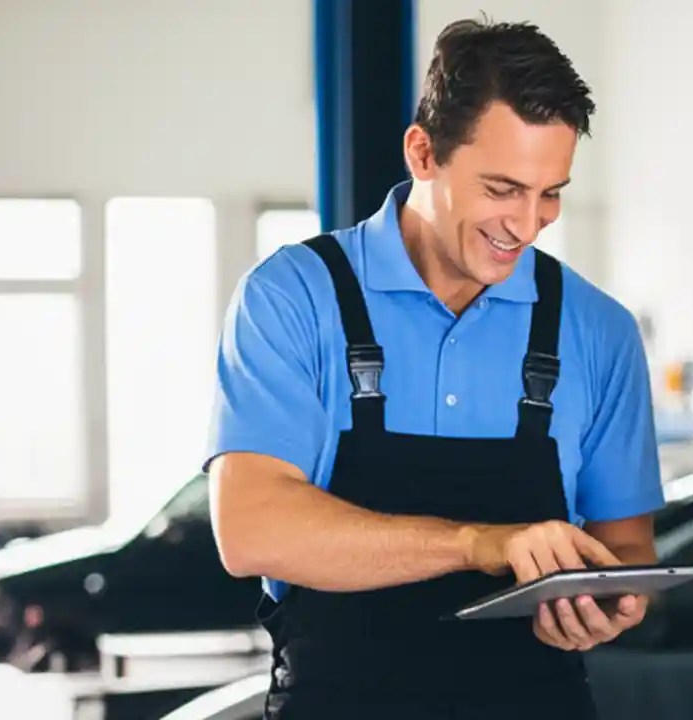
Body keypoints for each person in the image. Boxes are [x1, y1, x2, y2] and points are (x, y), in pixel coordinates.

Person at [203, 18, 664, 720]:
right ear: (422, 152)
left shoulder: (598, 330)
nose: (528, 224)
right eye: (502, 188)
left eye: (550, 193)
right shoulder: (293, 298)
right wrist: (480, 544)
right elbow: (251, 530)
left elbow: (626, 545)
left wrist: (611, 601)